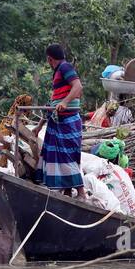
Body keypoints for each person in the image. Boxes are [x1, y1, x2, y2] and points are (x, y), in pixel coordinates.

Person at [37, 44, 84, 196]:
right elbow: (53, 102)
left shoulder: (65, 67)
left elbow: (77, 87)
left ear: (49, 59)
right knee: (56, 154)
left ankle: (81, 193)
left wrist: (64, 102)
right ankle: (67, 192)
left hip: (67, 120)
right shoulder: (58, 72)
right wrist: (38, 127)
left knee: (66, 156)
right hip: (58, 120)